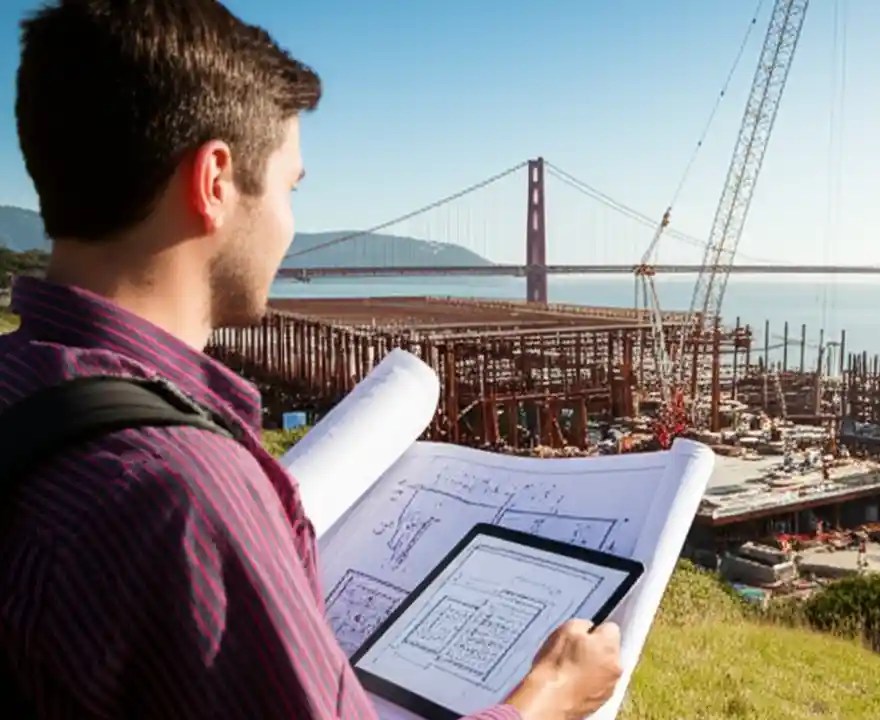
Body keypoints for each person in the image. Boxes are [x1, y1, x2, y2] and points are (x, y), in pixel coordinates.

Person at [0, 1, 621, 718]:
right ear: (214, 182)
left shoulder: (19, 384)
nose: (290, 226)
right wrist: (550, 694)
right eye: (290, 188)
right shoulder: (185, 496)